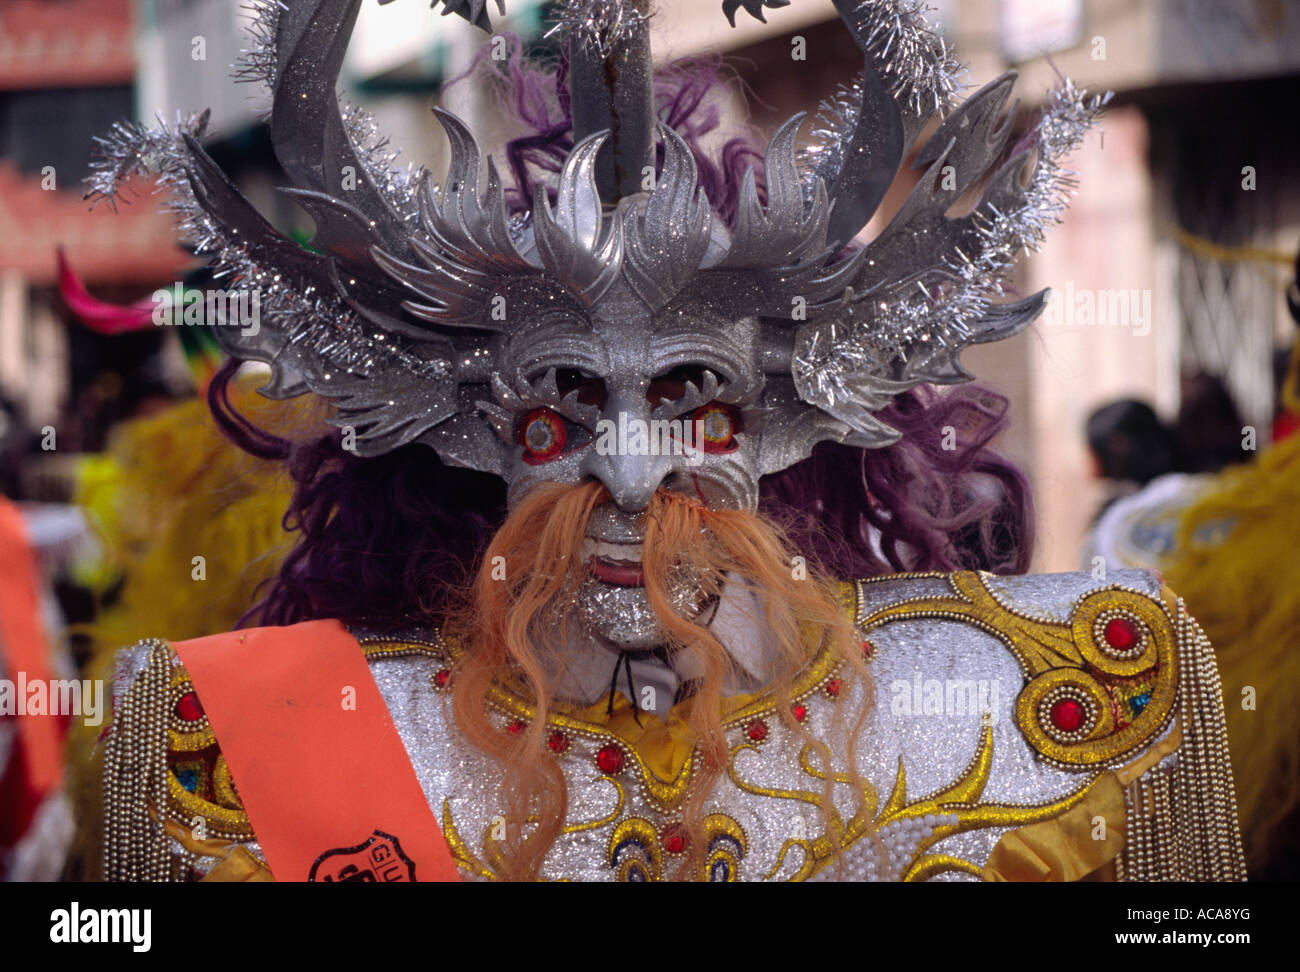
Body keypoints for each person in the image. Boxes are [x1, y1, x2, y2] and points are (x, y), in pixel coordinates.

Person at [85, 0, 1244, 882]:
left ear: (789, 423)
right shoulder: (244, 742)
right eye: (559, 413)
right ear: (471, 428)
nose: (632, 471)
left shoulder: (1057, 695)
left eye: (698, 402)